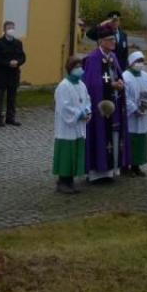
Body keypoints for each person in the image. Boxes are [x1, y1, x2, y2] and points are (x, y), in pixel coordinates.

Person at [83, 26, 128, 182]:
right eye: (110, 40)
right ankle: (96, 172)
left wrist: (121, 83)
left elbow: (118, 74)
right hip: (100, 106)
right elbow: (92, 84)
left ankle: (110, 170)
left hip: (114, 103)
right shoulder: (93, 58)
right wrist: (111, 85)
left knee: (114, 136)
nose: (113, 42)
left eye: (114, 39)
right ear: (101, 41)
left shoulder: (113, 57)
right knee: (100, 134)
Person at [52, 56, 92, 194]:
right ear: (70, 69)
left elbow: (87, 100)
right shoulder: (63, 86)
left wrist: (87, 111)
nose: (80, 70)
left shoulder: (81, 85)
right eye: (77, 67)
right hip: (66, 127)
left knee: (75, 152)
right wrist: (79, 114)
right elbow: (64, 107)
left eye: (81, 67)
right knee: (66, 153)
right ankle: (63, 180)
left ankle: (70, 180)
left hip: (78, 125)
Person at [122, 50, 147, 177]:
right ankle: (125, 166)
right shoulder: (125, 76)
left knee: (141, 140)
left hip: (143, 113)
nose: (140, 64)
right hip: (131, 115)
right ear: (131, 63)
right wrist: (134, 109)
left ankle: (137, 165)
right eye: (138, 61)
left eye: (142, 61)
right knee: (130, 140)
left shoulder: (146, 76)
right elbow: (124, 96)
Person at [0, 20, 27, 127]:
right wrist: (8, 63)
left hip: (13, 74)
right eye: (9, 27)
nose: (11, 30)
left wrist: (17, 62)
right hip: (2, 74)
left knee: (12, 97)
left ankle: (10, 117)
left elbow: (23, 57)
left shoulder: (18, 43)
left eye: (13, 27)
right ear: (4, 30)